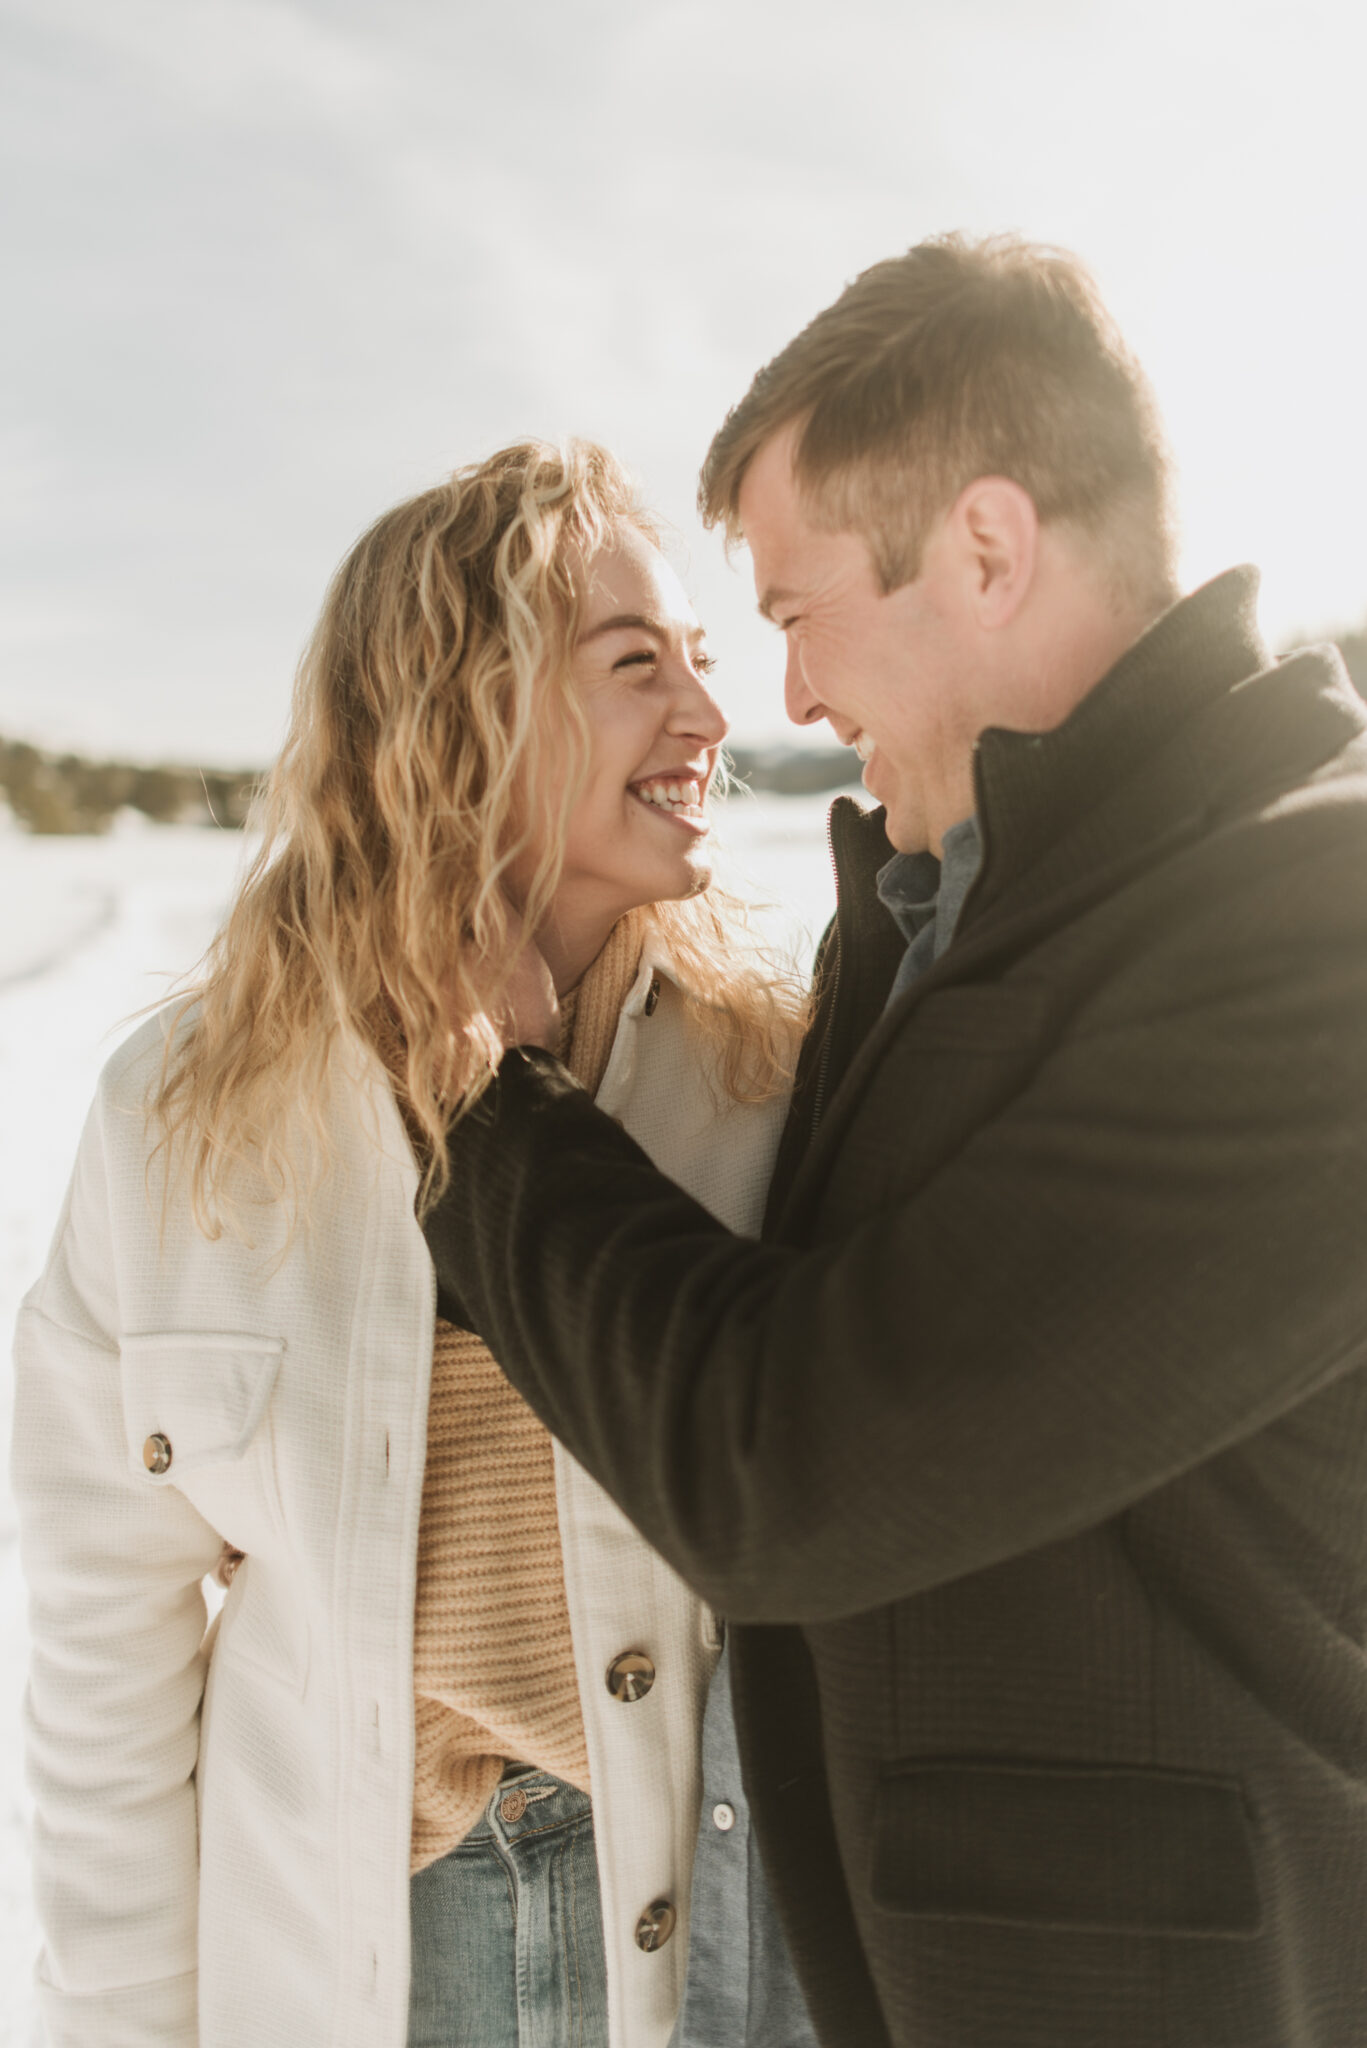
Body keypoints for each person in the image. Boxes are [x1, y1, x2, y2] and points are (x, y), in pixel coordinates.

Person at [419, 236, 1367, 2048]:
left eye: (792, 612)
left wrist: (492, 1110)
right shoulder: (942, 892)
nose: (784, 701)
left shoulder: (1321, 915)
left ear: (987, 550)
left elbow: (798, 1466)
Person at [11, 439, 815, 2048]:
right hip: (354, 1941)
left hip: (715, 1942)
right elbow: (104, 1633)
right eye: (638, 664)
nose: (713, 723)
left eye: (704, 665)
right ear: (468, 701)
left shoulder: (776, 1081)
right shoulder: (181, 1116)